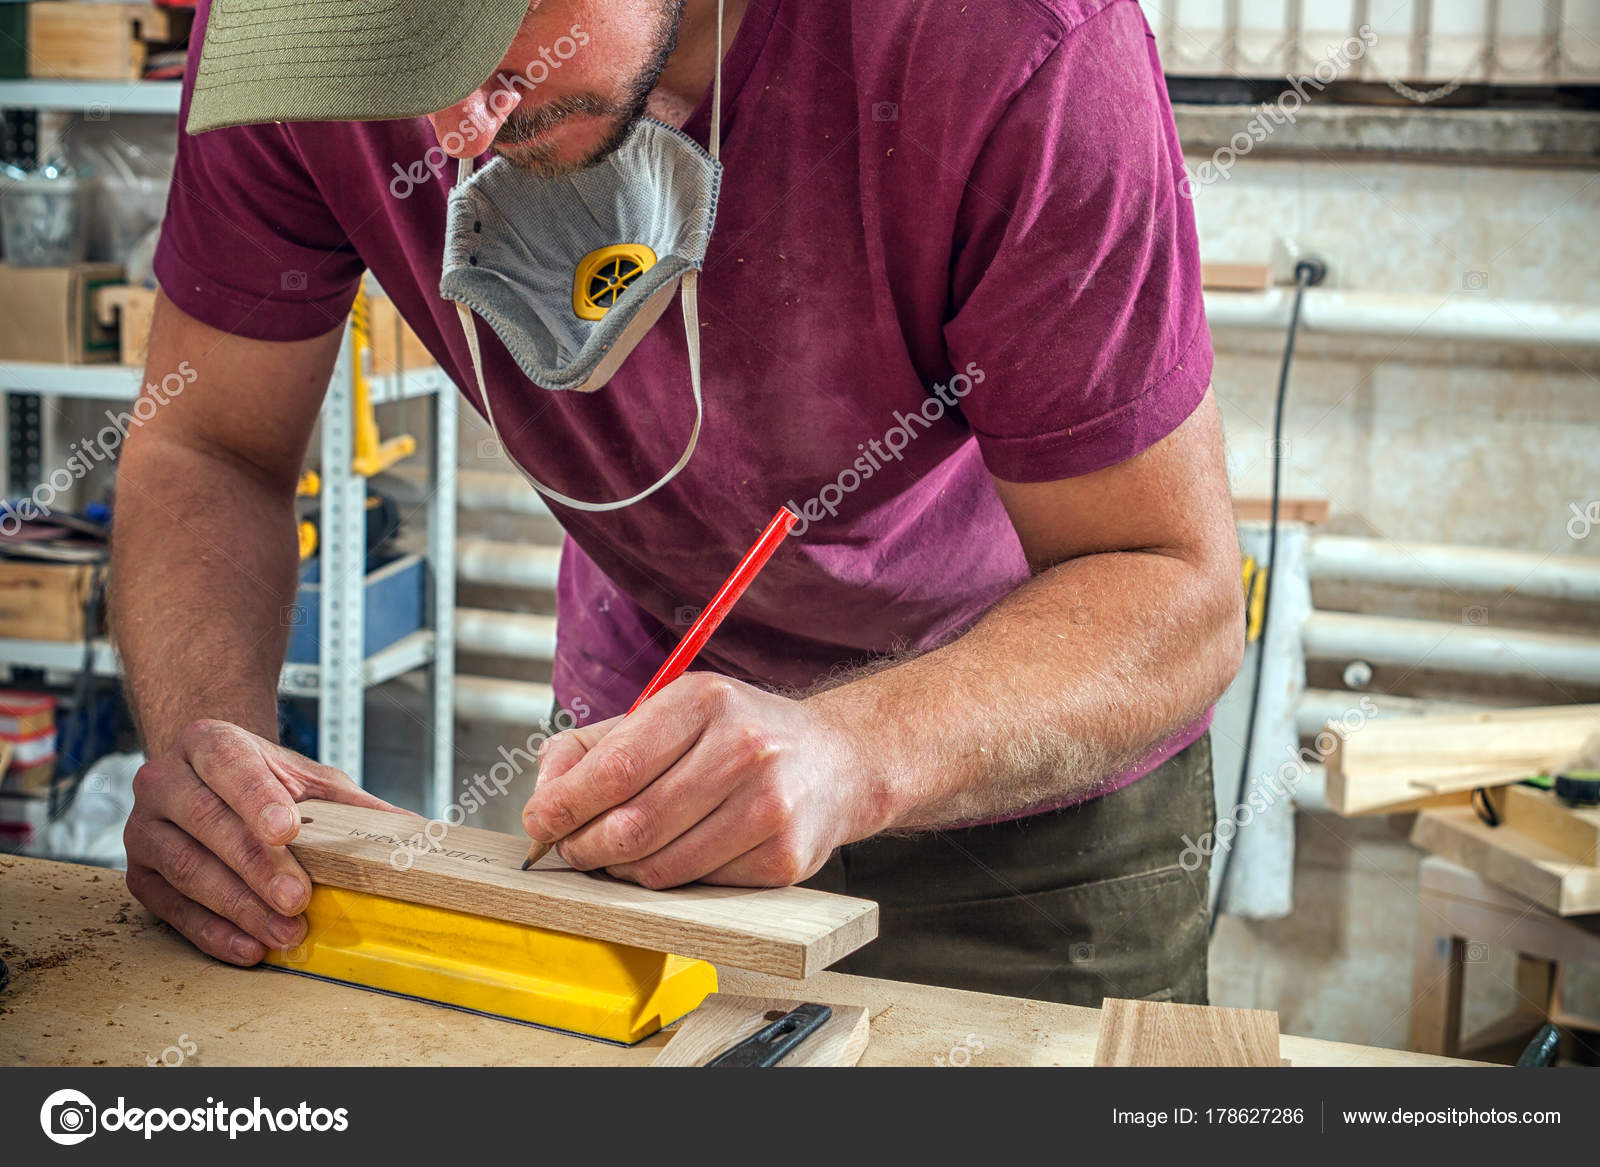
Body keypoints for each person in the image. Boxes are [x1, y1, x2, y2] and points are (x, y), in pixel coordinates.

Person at [115, 0, 1243, 1006]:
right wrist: (219, 772)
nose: (452, 128)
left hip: (1029, 800)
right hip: (638, 769)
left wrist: (851, 751)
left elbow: (1170, 586)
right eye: (397, 56)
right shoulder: (294, 34)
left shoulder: (1011, 43)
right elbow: (208, 446)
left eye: (484, 38)